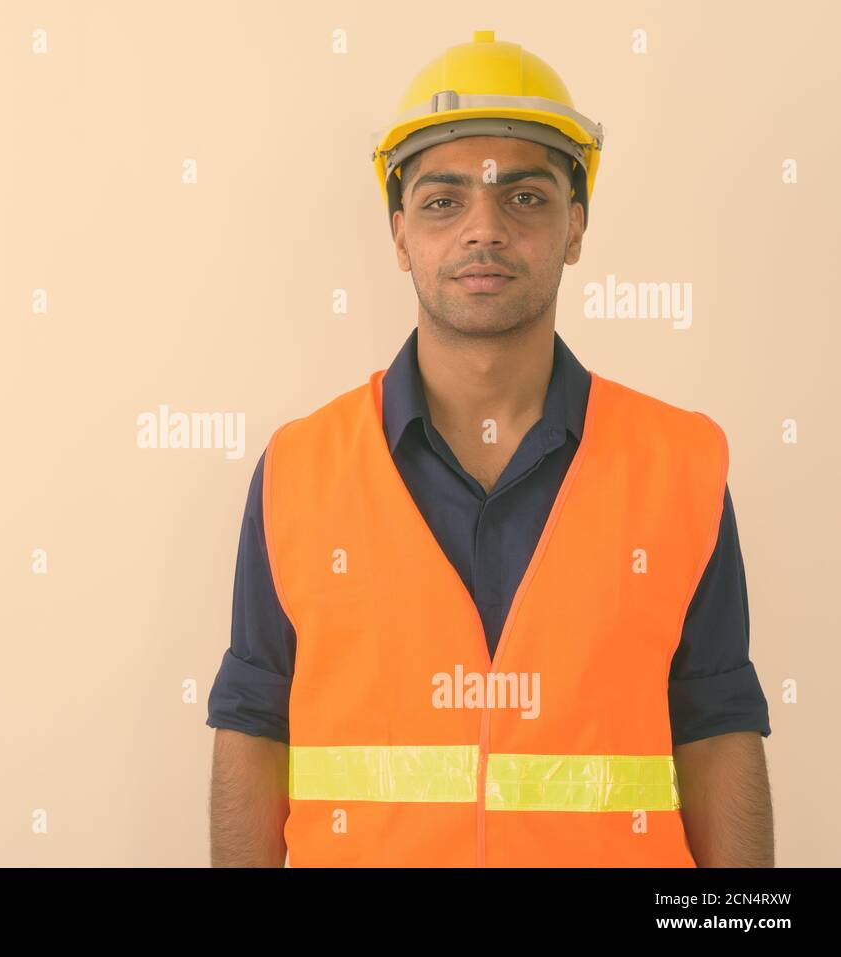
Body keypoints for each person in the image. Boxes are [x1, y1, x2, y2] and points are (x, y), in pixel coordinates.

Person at [206, 30, 773, 867]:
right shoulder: (300, 470)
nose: (484, 229)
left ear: (575, 226)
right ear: (399, 233)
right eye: (443, 200)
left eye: (526, 198)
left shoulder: (678, 467)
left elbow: (717, 727)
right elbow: (254, 726)